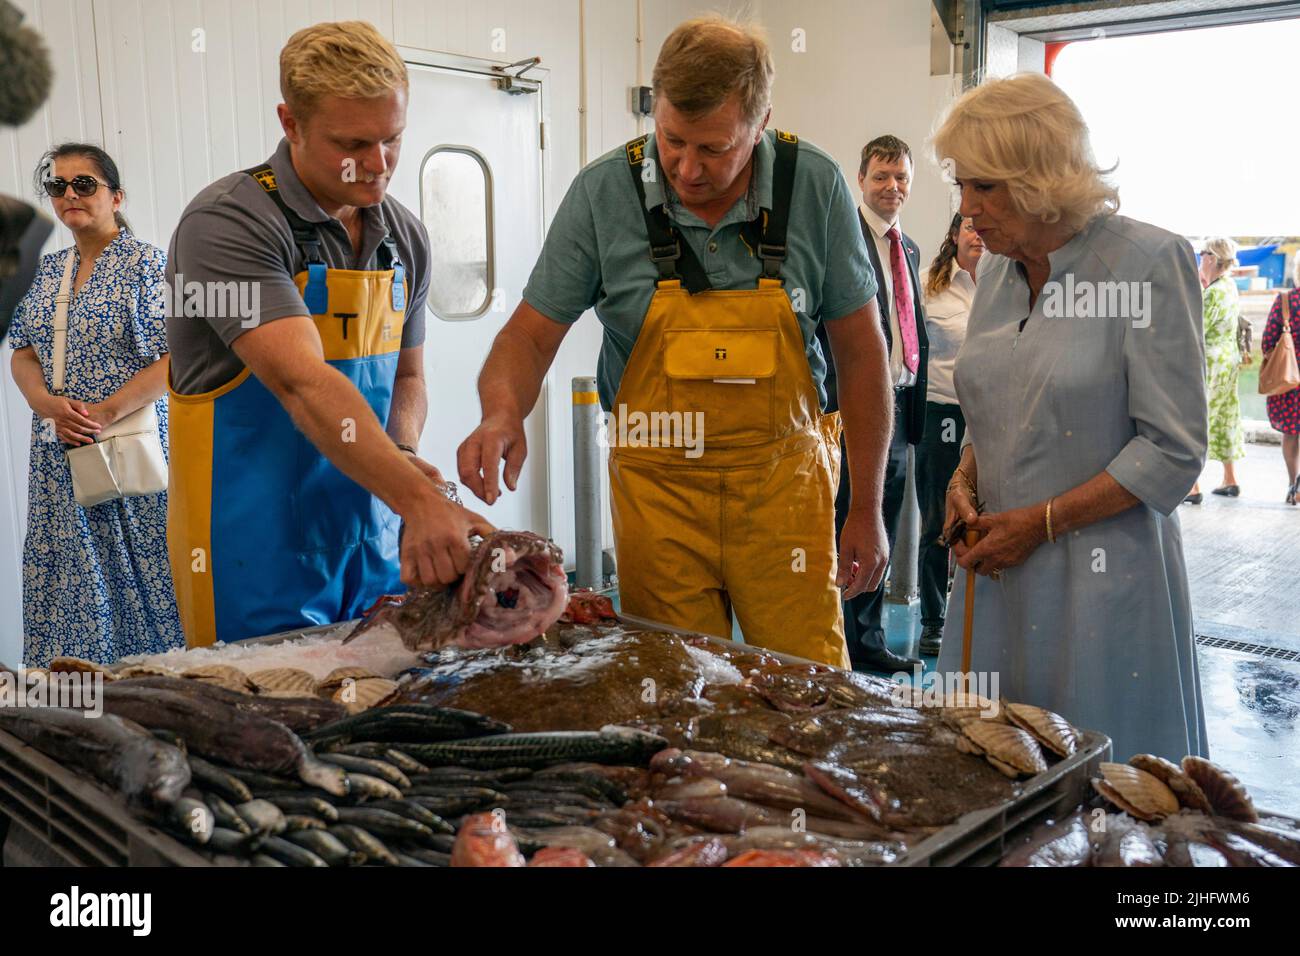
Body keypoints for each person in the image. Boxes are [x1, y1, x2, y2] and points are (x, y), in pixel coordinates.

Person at [457, 16, 892, 667]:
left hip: (784, 494)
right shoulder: (604, 193)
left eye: (715, 149)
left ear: (761, 120)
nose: (688, 169)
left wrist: (868, 505)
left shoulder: (816, 186)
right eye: (671, 140)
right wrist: (500, 413)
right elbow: (529, 335)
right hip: (658, 498)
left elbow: (862, 351)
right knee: (669, 685)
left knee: (809, 692)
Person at [165, 21, 491, 646]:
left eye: (393, 139)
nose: (378, 165)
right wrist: (420, 503)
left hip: (368, 536)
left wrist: (403, 464)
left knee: (376, 722)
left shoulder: (404, 234)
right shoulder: (228, 222)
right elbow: (303, 383)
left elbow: (408, 375)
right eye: (354, 144)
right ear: (291, 123)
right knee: (266, 729)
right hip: (251, 553)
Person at [934, 72, 1208, 762]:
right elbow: (999, 399)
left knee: (1102, 789)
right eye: (962, 185)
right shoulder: (998, 272)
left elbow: (1173, 449)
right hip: (996, 563)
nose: (967, 210)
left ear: (1041, 177)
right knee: (993, 769)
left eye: (985, 186)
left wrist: (1042, 524)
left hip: (1099, 576)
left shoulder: (1147, 263)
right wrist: (963, 478)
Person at [8, 144, 183, 665]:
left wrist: (101, 415)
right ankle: (75, 705)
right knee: (73, 580)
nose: (69, 195)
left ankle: (158, 698)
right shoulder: (43, 272)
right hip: (61, 451)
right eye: (58, 186)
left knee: (145, 577)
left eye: (84, 184)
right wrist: (47, 406)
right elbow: (22, 352)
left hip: (130, 448)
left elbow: (177, 359)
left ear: (116, 195)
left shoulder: (149, 265)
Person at [821, 135, 928, 672]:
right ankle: (837, 641)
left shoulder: (906, 248)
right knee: (848, 523)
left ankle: (869, 640)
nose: (892, 187)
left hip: (900, 408)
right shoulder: (845, 239)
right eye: (882, 176)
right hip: (852, 413)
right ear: (861, 180)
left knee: (880, 525)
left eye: (902, 177)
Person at [914, 214, 982, 656]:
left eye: (982, 226)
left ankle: (977, 618)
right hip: (941, 413)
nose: (977, 234)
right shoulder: (928, 284)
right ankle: (934, 621)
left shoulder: (1007, 282)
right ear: (955, 234)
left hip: (990, 418)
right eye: (968, 226)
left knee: (985, 519)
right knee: (939, 523)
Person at [1185, 237, 1243, 503]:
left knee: (1197, 421)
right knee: (1225, 417)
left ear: (1212, 258)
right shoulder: (1229, 287)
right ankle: (1230, 479)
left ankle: (1192, 486)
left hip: (1210, 363)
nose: (1199, 257)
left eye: (1202, 253)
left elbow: (1196, 327)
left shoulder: (1214, 292)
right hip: (1229, 360)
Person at [1263, 271, 1300, 504]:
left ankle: (1292, 484)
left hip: (1291, 378)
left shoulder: (1286, 301)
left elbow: (1267, 341)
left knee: (1291, 432)